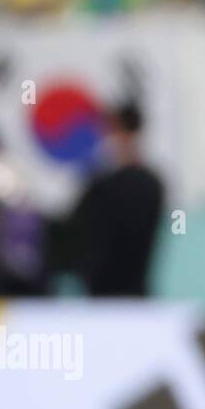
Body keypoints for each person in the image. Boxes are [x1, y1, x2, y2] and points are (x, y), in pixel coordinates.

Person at [63, 102, 164, 296]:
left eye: (109, 131)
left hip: (114, 297)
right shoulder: (151, 183)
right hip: (117, 296)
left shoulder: (106, 187)